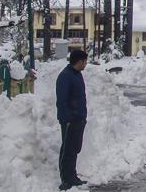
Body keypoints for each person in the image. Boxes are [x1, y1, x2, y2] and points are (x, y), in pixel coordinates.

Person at [56, 49, 88, 191]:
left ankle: (72, 176)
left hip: (79, 118)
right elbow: (61, 100)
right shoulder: (65, 76)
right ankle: (65, 179)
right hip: (70, 120)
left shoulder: (78, 75)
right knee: (67, 150)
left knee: (74, 149)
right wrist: (67, 118)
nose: (86, 64)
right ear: (79, 61)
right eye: (85, 61)